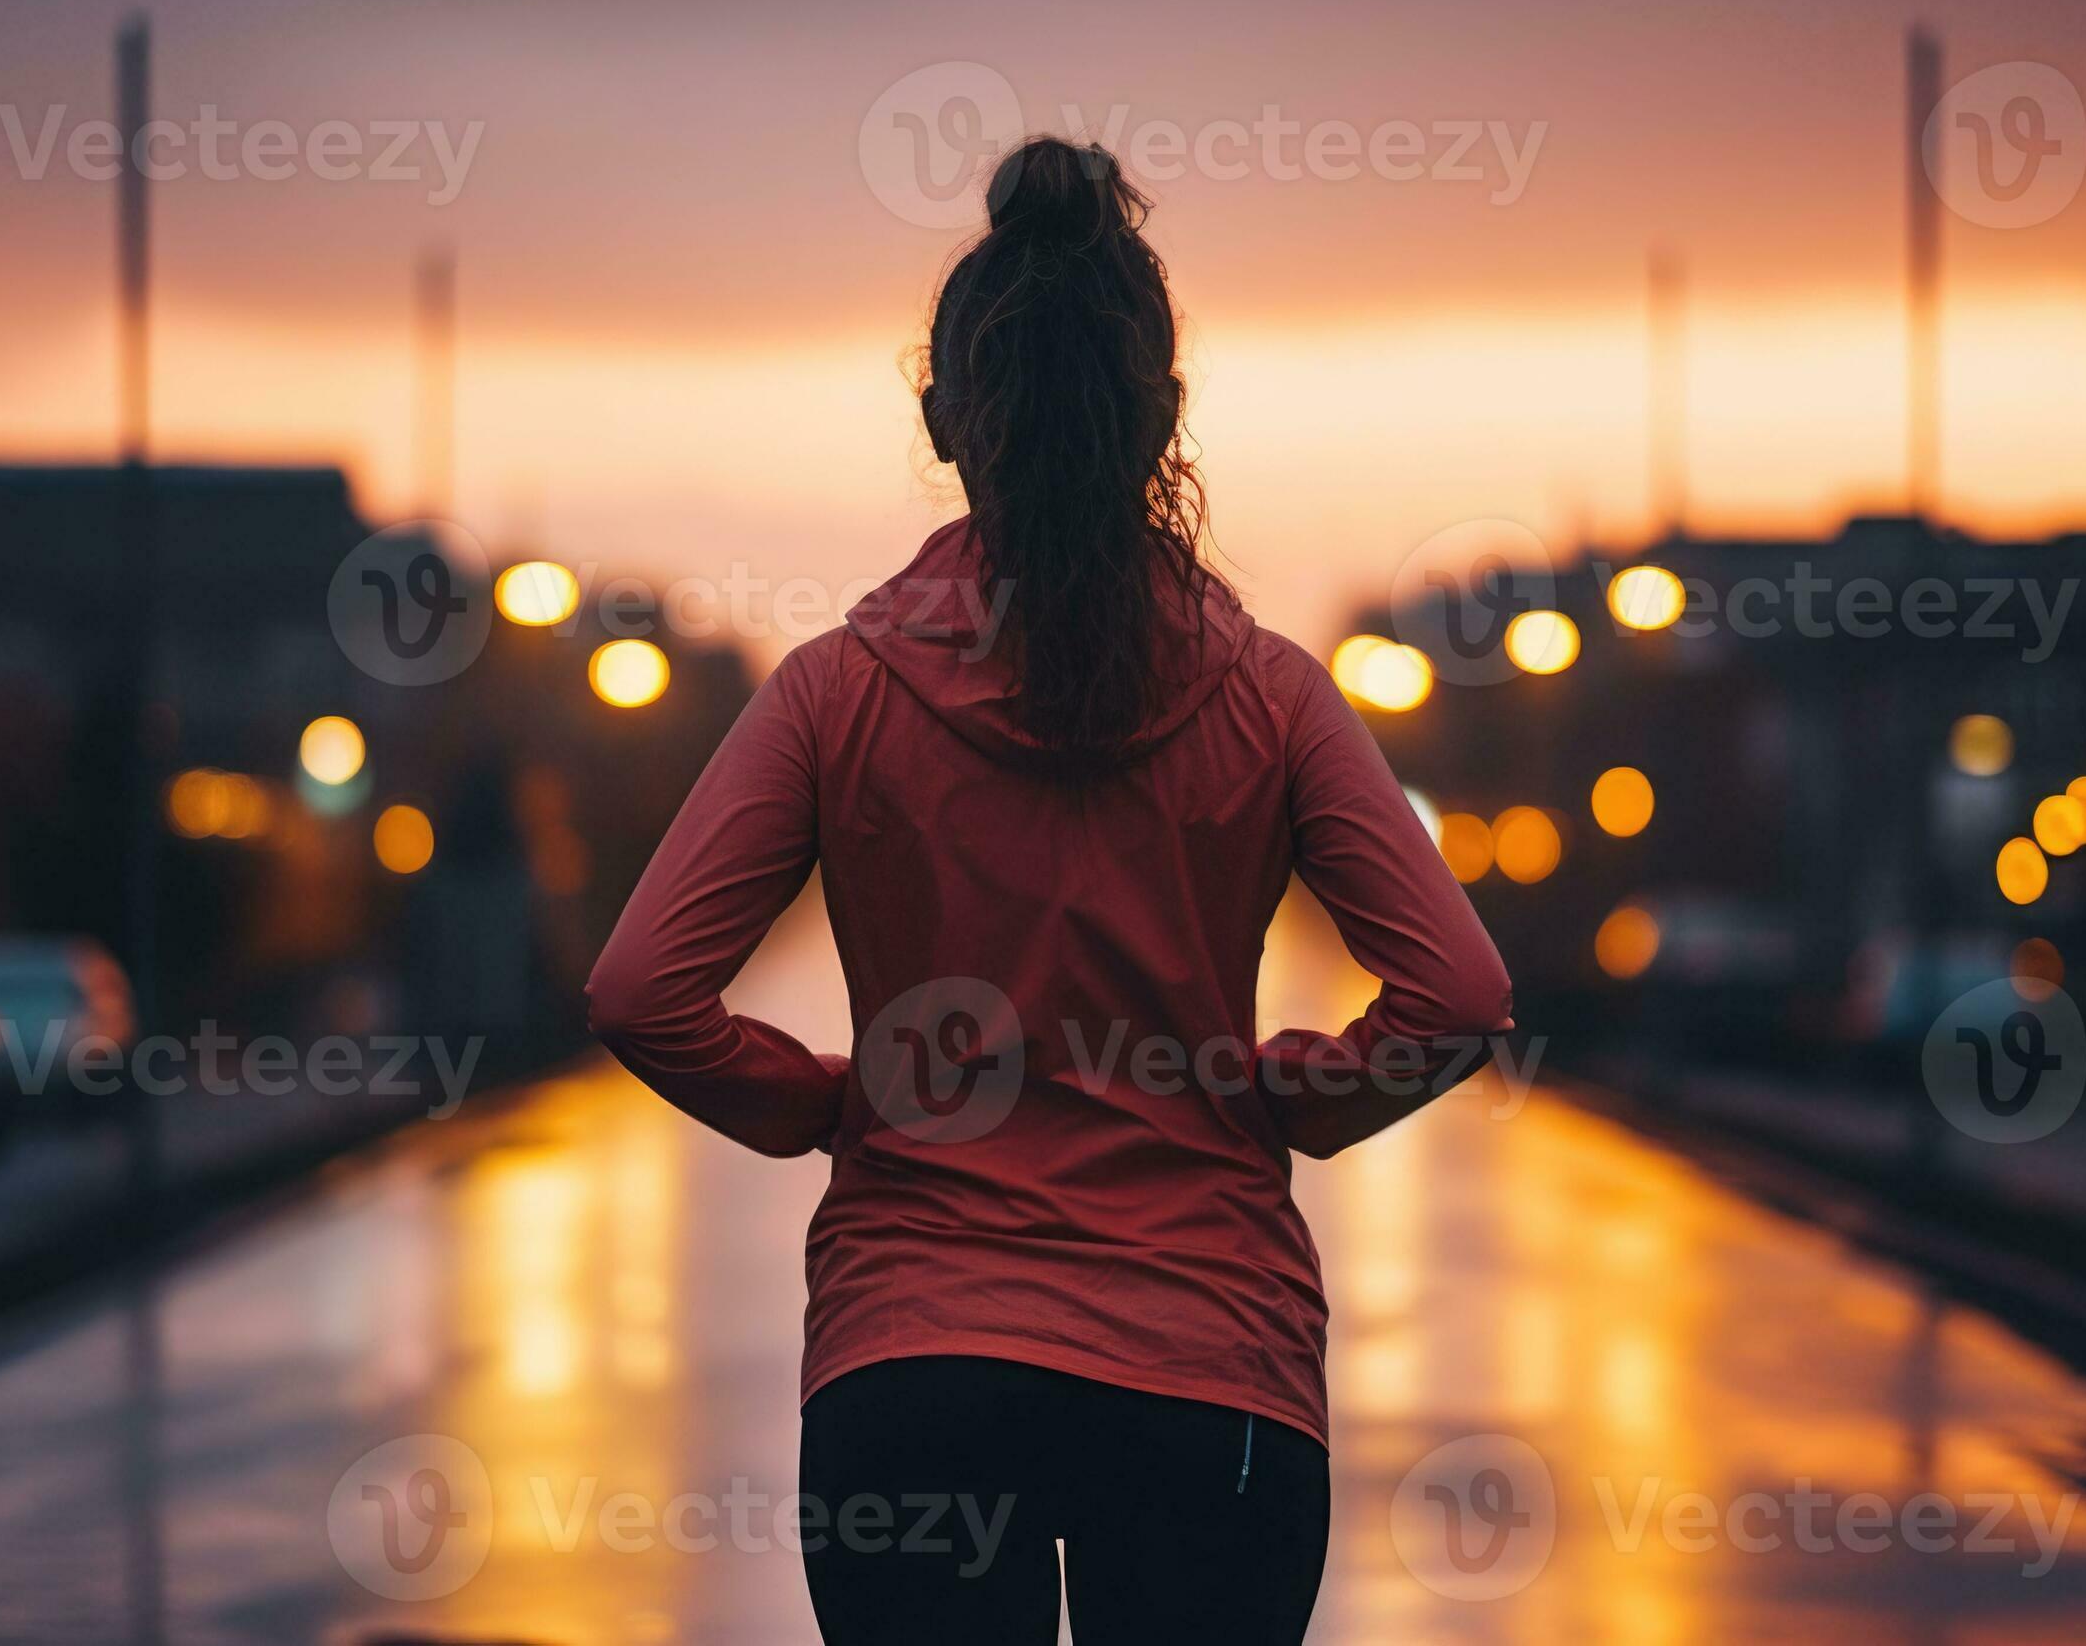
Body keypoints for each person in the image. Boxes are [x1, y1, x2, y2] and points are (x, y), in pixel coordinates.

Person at [585, 136, 1514, 1643]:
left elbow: (640, 993)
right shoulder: (1273, 700)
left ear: (945, 416)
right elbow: (1462, 995)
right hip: (1214, 1386)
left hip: (914, 1376)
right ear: (1164, 415)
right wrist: (1289, 1097)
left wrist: (831, 1104)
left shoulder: (836, 695)